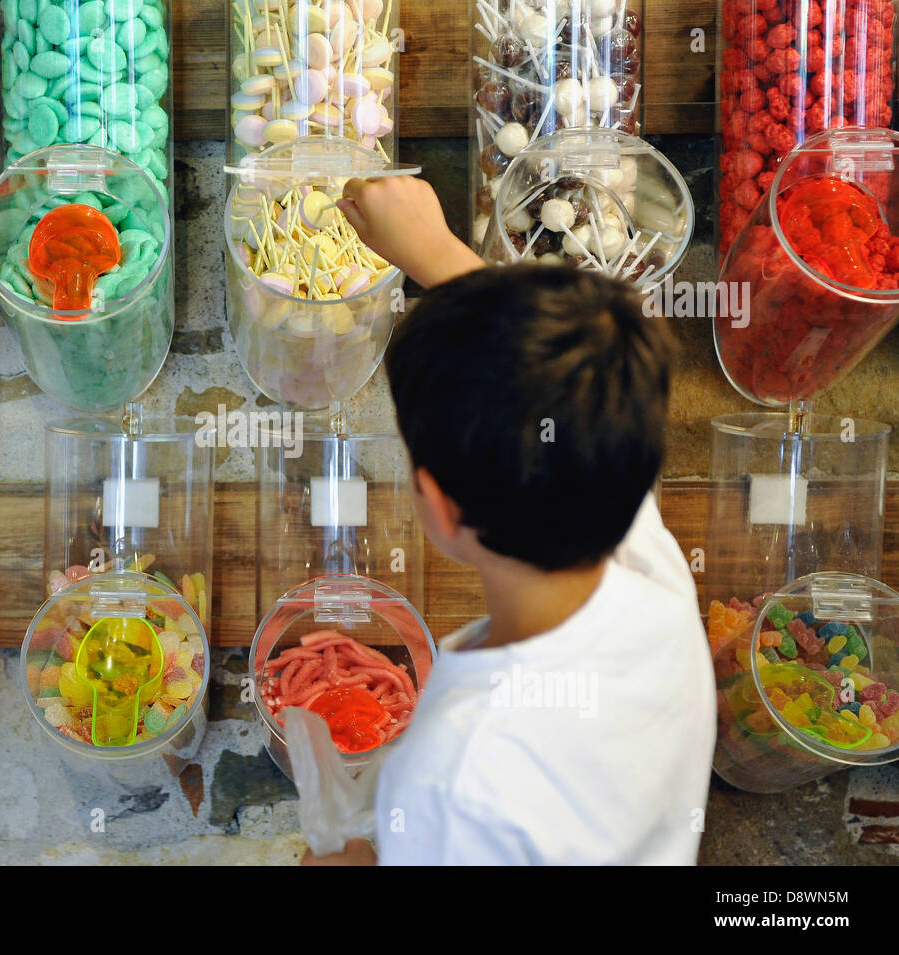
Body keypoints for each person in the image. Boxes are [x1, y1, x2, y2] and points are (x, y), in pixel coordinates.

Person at [301, 178, 715, 865]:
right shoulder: (651, 570)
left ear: (437, 505)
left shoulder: (455, 777)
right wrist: (432, 251)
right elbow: (558, 380)